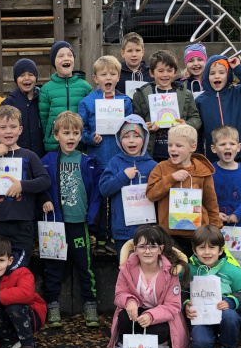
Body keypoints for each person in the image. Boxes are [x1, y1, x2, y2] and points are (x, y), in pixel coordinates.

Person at [39, 111, 103, 328]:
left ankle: (90, 303)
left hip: (79, 224)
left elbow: (97, 193)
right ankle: (53, 305)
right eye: (66, 133)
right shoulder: (47, 160)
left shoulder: (89, 161)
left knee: (85, 265)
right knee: (54, 266)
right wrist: (44, 199)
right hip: (56, 225)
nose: (71, 137)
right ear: (56, 135)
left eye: (76, 133)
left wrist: (92, 219)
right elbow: (38, 185)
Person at [0, 105, 51, 266]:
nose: (8, 131)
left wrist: (22, 186)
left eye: (13, 127)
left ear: (20, 129)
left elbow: (45, 180)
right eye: (3, 127)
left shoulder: (29, 156)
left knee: (21, 266)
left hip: (23, 222)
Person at [105, 224, 189, 348]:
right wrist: (129, 301)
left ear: (160, 249)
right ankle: (125, 345)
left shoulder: (170, 272)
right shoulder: (126, 268)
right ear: (135, 250)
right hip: (136, 311)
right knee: (124, 317)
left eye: (153, 246)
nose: (147, 251)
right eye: (142, 247)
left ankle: (160, 345)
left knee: (160, 328)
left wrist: (151, 316)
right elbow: (120, 294)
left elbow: (173, 306)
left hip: (159, 314)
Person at [183, 224, 241, 348]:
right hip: (201, 316)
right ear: (194, 250)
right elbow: (179, 291)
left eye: (212, 248)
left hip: (225, 314)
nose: (207, 252)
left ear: (221, 250)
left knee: (230, 316)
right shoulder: (188, 270)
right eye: (202, 248)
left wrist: (231, 301)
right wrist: (185, 303)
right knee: (201, 343)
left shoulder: (232, 270)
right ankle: (211, 343)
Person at [145, 124, 220, 253]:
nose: (173, 149)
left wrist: (215, 229)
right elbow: (151, 194)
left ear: (193, 147)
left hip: (198, 235)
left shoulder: (203, 171)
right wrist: (171, 178)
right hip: (169, 235)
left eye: (178, 146)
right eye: (170, 145)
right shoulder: (161, 168)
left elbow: (211, 203)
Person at [98, 116, 158, 250]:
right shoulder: (115, 163)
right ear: (119, 140)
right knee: (125, 267)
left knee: (147, 267)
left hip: (148, 230)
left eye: (136, 136)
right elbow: (104, 189)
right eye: (126, 136)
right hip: (123, 231)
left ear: (145, 138)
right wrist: (123, 176)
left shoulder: (153, 166)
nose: (131, 140)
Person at [132, 50, 201, 162]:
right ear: (151, 73)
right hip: (153, 152)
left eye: (169, 70)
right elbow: (135, 120)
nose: (165, 75)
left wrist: (186, 125)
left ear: (175, 72)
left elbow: (196, 119)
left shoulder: (186, 94)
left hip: (179, 152)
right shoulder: (140, 95)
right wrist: (144, 126)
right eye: (160, 71)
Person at [195, 54, 241, 170]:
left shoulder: (238, 92)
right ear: (206, 76)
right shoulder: (200, 101)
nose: (217, 76)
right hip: (214, 156)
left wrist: (237, 68)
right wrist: (199, 155)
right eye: (212, 73)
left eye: (222, 72)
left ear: (228, 75)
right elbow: (198, 132)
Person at [78, 53, 133, 169]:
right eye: (103, 74)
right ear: (95, 79)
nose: (108, 77)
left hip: (120, 159)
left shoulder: (125, 101)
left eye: (113, 74)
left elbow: (130, 129)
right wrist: (91, 138)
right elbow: (81, 130)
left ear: (118, 77)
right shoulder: (86, 102)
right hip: (96, 158)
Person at [210, 126, 241, 251]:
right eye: (223, 144)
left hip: (239, 229)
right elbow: (203, 197)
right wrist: (214, 214)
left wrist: (239, 214)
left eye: (232, 143)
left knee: (237, 266)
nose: (228, 147)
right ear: (213, 148)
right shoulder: (210, 172)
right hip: (213, 229)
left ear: (239, 147)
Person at [40, 40, 93, 152]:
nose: (66, 58)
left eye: (70, 55)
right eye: (60, 56)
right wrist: (49, 135)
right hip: (54, 145)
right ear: (54, 61)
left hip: (79, 143)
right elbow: (44, 119)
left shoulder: (85, 87)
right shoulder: (46, 89)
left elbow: (90, 115)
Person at [2, 58, 45, 158]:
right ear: (16, 79)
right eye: (22, 75)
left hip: (41, 154)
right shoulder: (8, 103)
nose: (26, 78)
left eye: (31, 74)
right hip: (16, 155)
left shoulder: (42, 99)